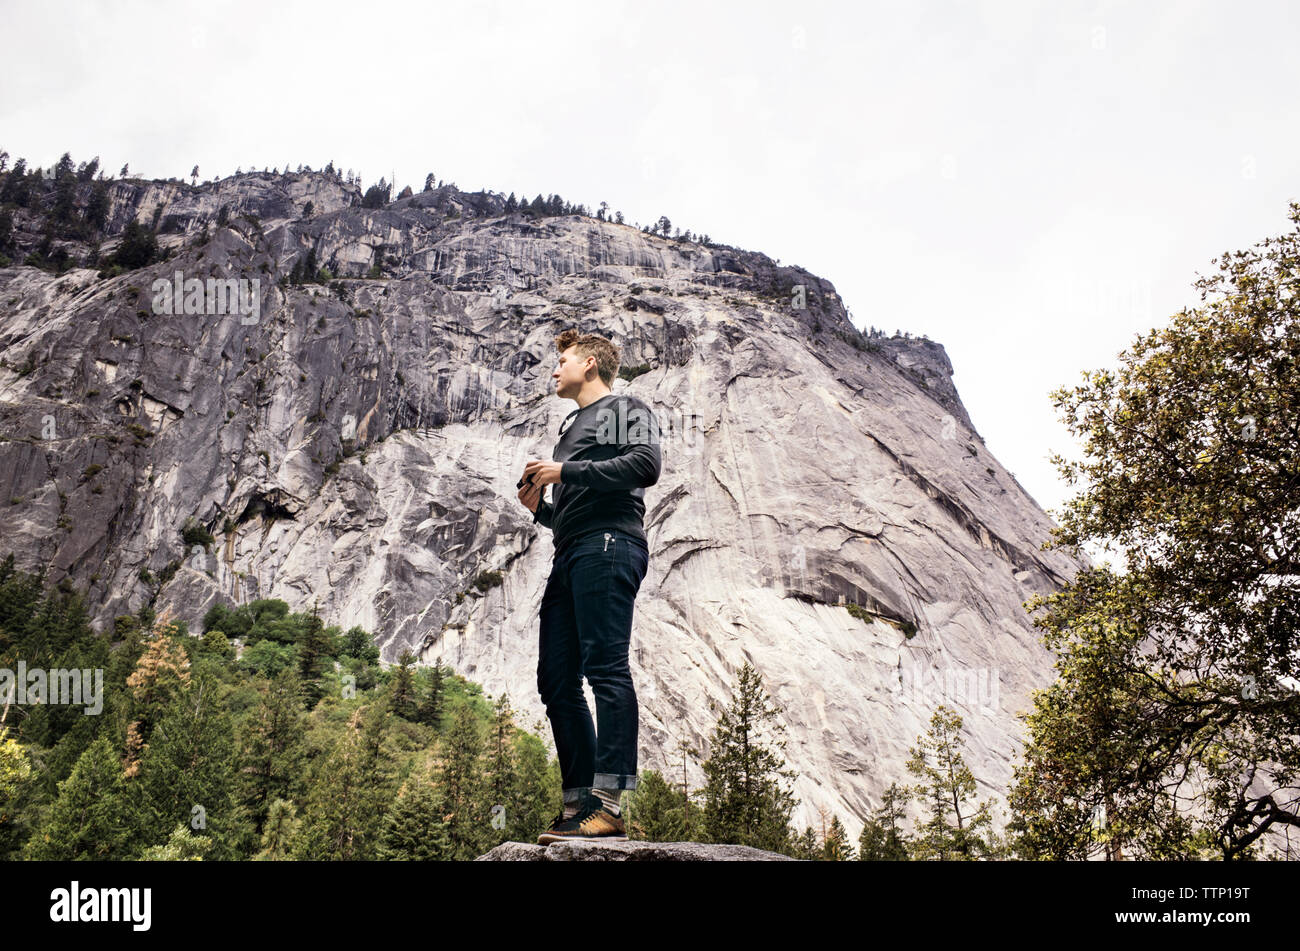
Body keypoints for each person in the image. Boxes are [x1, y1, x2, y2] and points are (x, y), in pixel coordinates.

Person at [517, 328, 661, 843]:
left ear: (591, 364)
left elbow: (646, 466)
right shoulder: (573, 425)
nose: (555, 369)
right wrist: (542, 512)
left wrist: (563, 470)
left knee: (605, 668)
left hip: (609, 545)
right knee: (555, 680)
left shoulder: (623, 408)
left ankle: (609, 805)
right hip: (573, 548)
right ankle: (578, 803)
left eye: (563, 360)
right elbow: (575, 511)